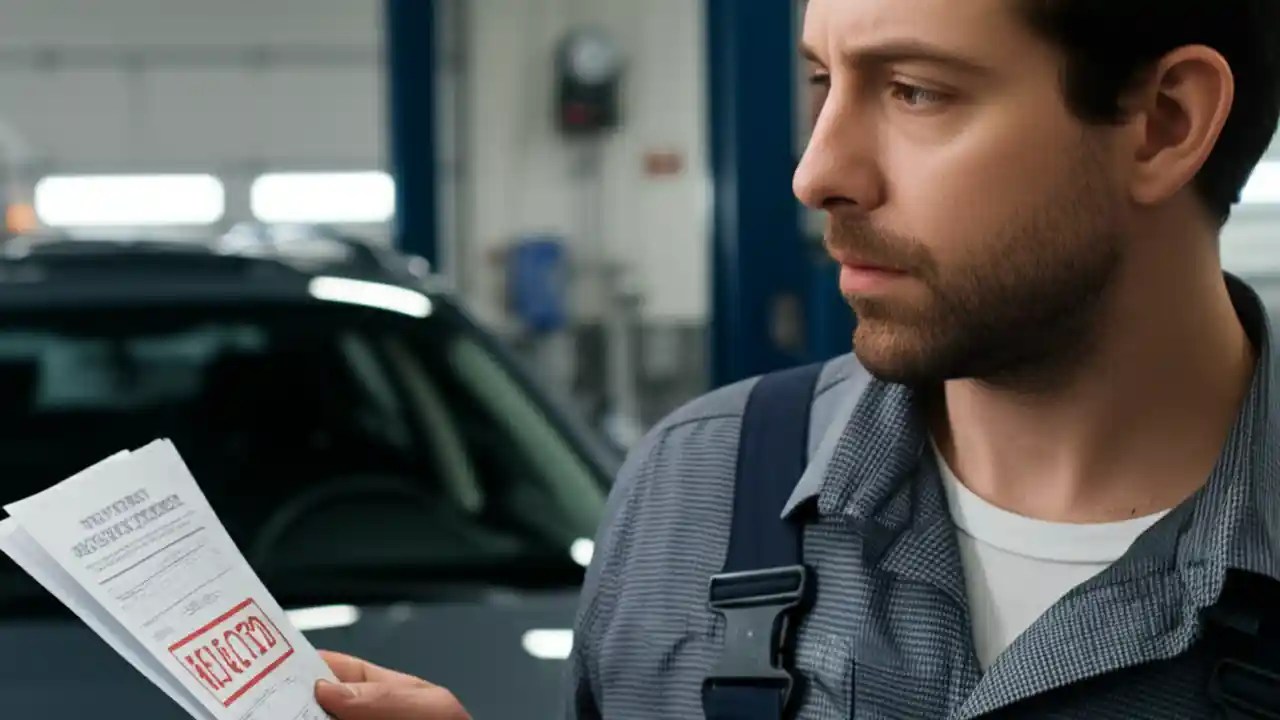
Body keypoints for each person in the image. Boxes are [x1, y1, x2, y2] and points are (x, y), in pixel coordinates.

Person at [316, 0, 1280, 717]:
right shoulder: (695, 489)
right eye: (824, 83)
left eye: (916, 92)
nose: (818, 171)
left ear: (1164, 121)